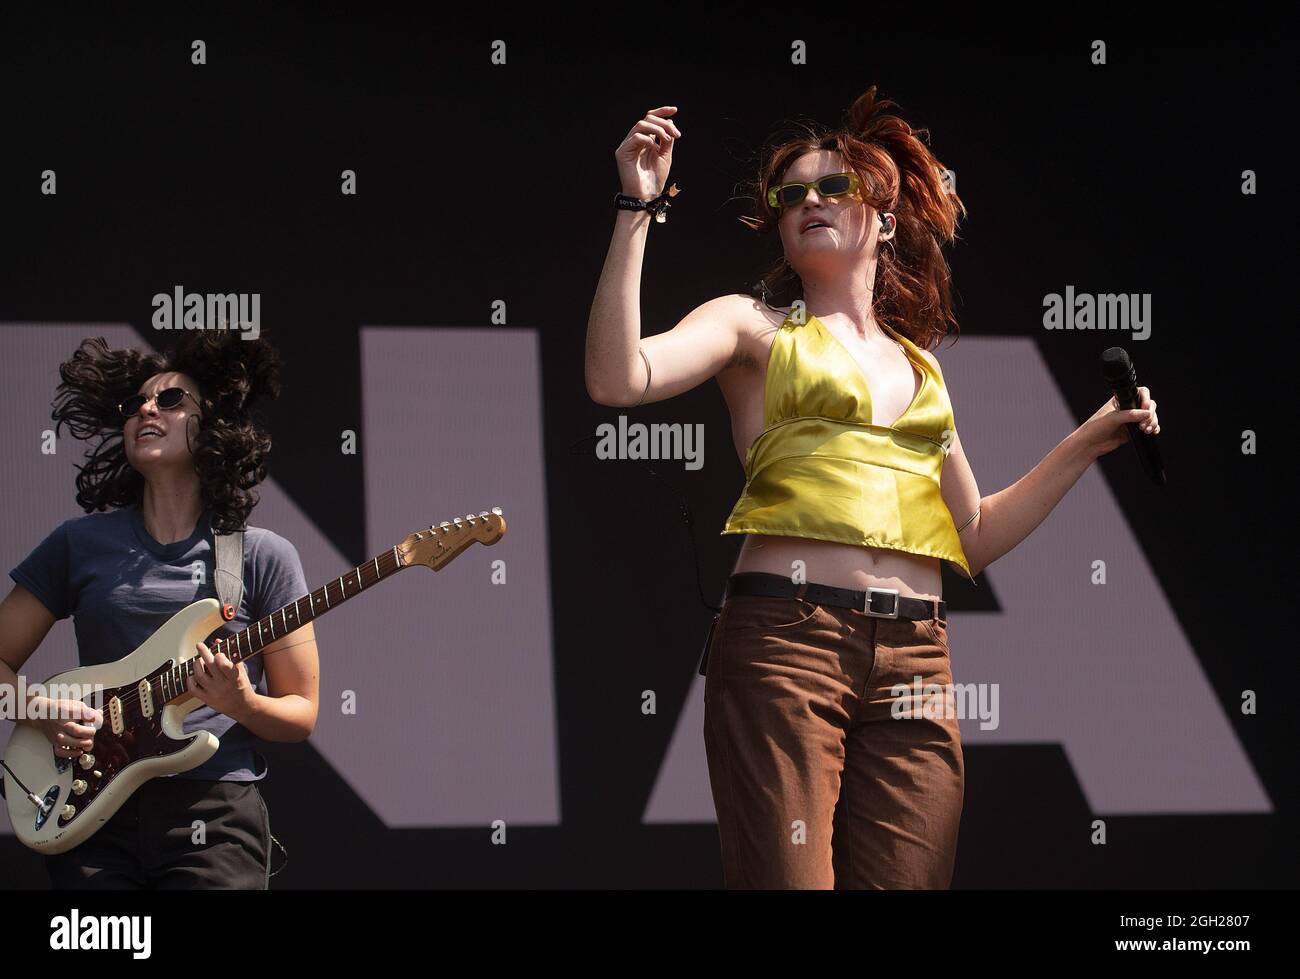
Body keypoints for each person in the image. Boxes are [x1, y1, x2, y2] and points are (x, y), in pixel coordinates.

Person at [585, 88, 1160, 888]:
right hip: (788, 644)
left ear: (885, 221)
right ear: (782, 232)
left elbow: (974, 534)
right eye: (792, 195)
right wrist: (635, 208)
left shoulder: (923, 370)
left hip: (918, 661)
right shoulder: (750, 327)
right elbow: (618, 378)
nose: (810, 201)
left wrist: (1091, 439)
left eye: (833, 186)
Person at [0, 329, 320, 889]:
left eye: (171, 400)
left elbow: (301, 714)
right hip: (91, 811)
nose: (147, 408)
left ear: (212, 428)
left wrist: (242, 701)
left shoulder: (264, 555)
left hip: (215, 814)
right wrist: (42, 712)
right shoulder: (77, 544)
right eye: (136, 405)